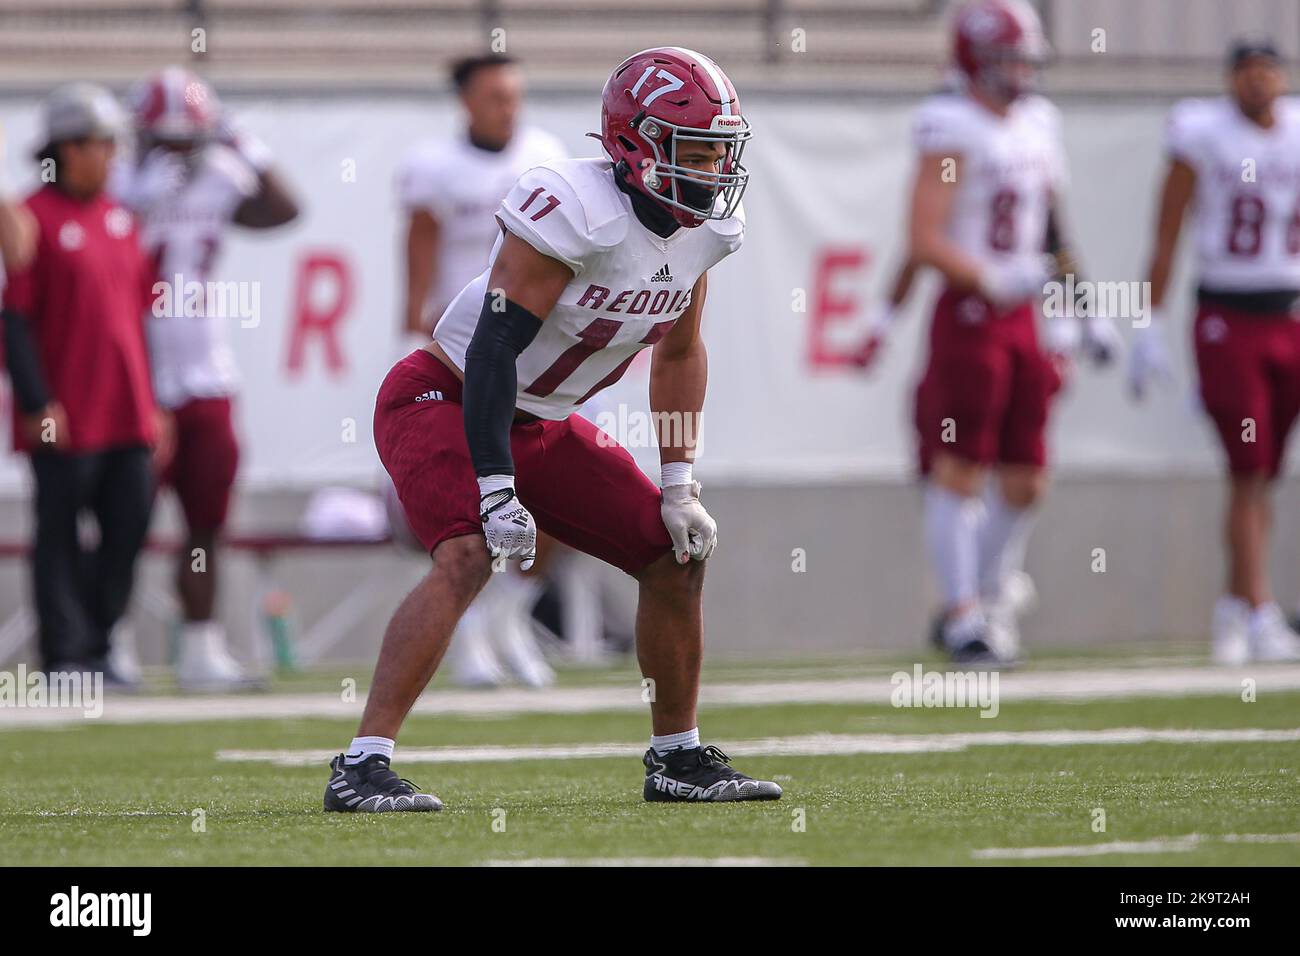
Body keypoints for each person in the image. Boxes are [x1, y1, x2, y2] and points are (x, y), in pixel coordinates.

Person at [324, 46, 782, 811]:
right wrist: (498, 486)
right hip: (446, 394)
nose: (711, 169)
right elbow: (495, 345)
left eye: (718, 152)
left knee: (673, 555)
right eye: (694, 150)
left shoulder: (706, 227)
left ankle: (677, 756)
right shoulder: (573, 206)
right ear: (636, 145)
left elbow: (679, 349)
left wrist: (679, 484)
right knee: (468, 553)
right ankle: (362, 764)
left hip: (545, 418)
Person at [895, 0, 1118, 665]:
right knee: (960, 468)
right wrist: (991, 279)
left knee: (1026, 479)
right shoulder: (950, 126)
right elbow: (924, 238)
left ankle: (985, 596)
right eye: (1004, 60)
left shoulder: (1039, 124)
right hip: (970, 314)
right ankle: (965, 614)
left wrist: (1085, 307)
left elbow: (1053, 230)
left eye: (1024, 60)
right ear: (972, 61)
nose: (1018, 73)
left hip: (1026, 317)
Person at [113, 66, 300, 691]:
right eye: (164, 139)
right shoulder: (117, 186)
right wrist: (134, 203)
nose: (177, 152)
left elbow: (283, 209)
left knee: (205, 524)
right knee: (123, 520)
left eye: (186, 139)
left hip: (206, 376)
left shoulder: (219, 174)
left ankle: (200, 651)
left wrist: (244, 143)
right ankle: (106, 644)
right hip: (135, 379)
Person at [395, 53, 564, 688]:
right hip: (467, 349)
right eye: (495, 95)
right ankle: (469, 632)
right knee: (467, 499)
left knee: (557, 494)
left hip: (541, 350)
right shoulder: (434, 168)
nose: (508, 107)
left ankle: (510, 616)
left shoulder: (545, 156)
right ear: (466, 101)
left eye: (514, 95)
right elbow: (418, 252)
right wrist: (413, 325)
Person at [1131, 40, 1300, 665]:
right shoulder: (1202, 134)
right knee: (1247, 470)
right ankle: (1258, 608)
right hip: (1227, 316)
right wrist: (1149, 320)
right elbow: (1167, 232)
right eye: (1246, 72)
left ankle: (1236, 608)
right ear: (1230, 79)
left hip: (1288, 313)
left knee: (1264, 477)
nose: (1258, 82)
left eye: (1268, 70)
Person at [0, 83, 164, 683]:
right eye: (100, 145)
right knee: (59, 533)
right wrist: (37, 400)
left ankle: (99, 643)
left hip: (127, 410)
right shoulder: (29, 220)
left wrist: (156, 404)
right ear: (67, 149)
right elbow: (13, 321)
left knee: (130, 523)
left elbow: (138, 321)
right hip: (64, 409)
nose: (110, 157)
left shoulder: (121, 219)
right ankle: (65, 656)